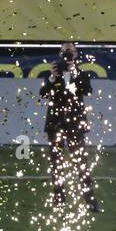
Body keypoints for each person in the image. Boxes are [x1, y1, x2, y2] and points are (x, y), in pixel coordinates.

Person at [40, 41, 99, 210]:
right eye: (65, 51)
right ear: (60, 53)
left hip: (74, 124)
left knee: (81, 163)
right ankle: (59, 201)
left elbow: (87, 90)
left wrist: (74, 72)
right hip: (55, 124)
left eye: (70, 52)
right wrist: (52, 77)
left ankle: (90, 201)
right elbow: (43, 94)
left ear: (76, 54)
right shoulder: (53, 72)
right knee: (56, 164)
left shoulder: (82, 73)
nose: (67, 55)